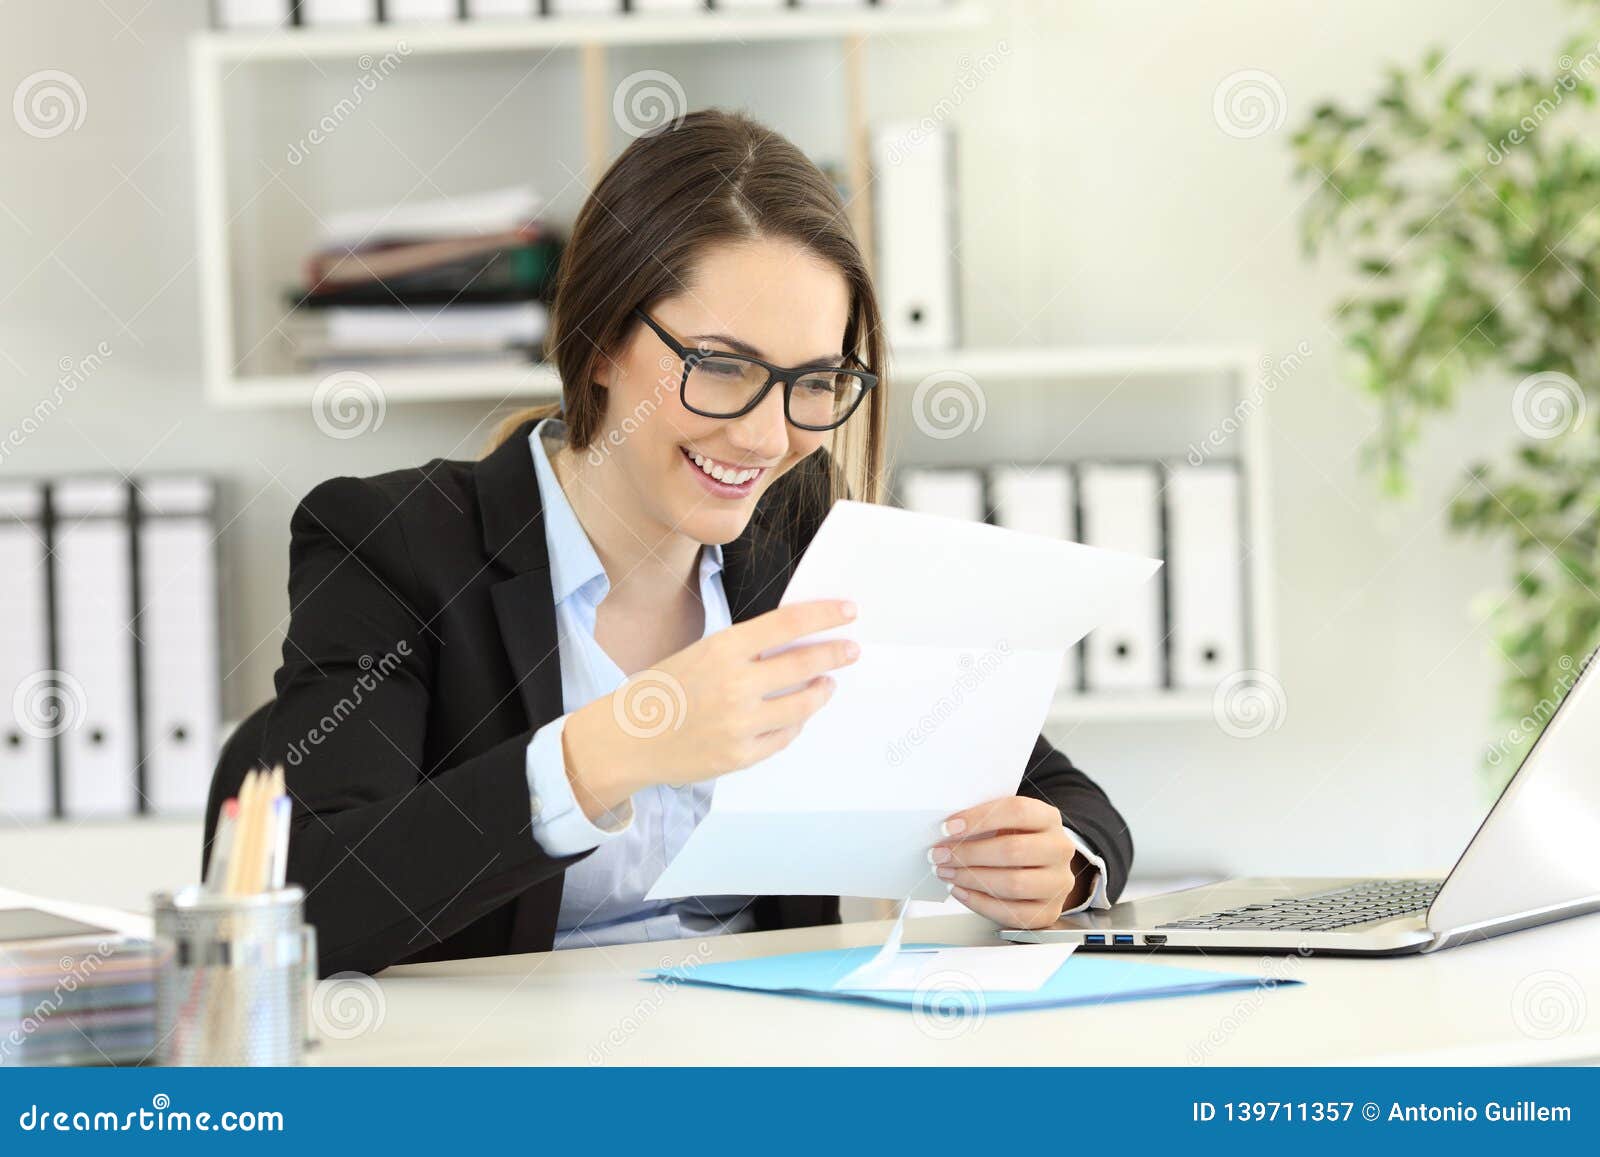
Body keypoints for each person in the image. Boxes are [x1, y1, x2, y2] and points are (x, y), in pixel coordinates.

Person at [249, 108, 1133, 977]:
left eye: (815, 381)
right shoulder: (394, 543)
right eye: (719, 367)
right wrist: (620, 744)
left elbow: (1061, 794)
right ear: (598, 341)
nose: (764, 437)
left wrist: (1064, 863)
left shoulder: (803, 534)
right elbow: (317, 901)